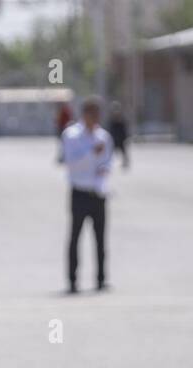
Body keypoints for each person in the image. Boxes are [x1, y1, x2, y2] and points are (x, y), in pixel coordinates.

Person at [60, 95, 112, 294]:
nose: (96, 117)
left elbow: (107, 159)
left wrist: (104, 169)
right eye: (93, 113)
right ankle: (72, 280)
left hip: (98, 191)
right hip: (79, 191)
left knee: (100, 238)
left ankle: (101, 279)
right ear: (85, 114)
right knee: (75, 237)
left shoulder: (103, 136)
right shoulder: (72, 135)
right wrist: (92, 152)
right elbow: (72, 163)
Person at [107, 100, 130, 169]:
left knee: (123, 151)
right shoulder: (112, 120)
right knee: (110, 151)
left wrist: (125, 137)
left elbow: (124, 129)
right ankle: (107, 162)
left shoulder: (121, 119)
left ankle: (125, 162)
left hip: (121, 138)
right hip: (114, 138)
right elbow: (110, 129)